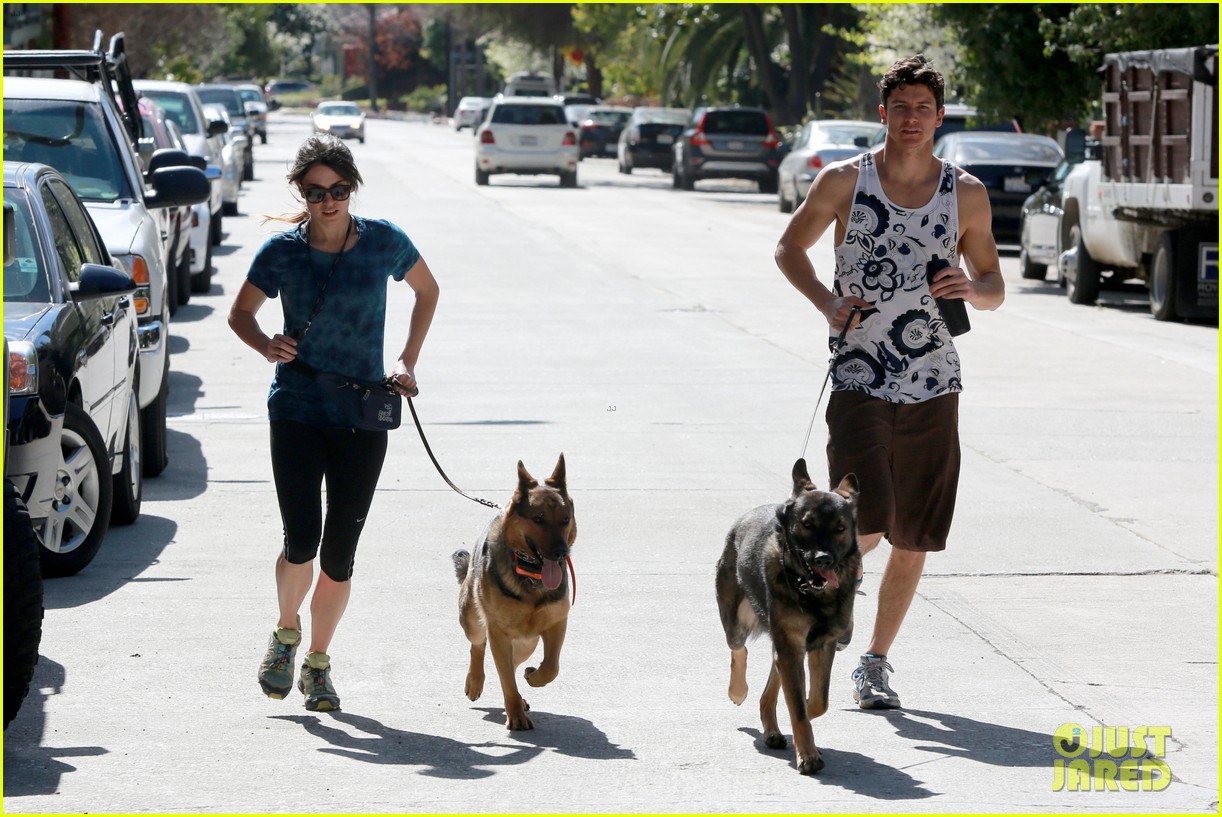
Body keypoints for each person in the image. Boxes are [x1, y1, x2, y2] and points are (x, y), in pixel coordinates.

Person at [774, 55, 1005, 710]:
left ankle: (872, 663)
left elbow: (995, 286)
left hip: (934, 381)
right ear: (883, 113)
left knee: (913, 536)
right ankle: (814, 608)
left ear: (939, 117)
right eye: (900, 106)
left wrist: (972, 287)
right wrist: (826, 302)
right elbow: (789, 248)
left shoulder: (966, 193)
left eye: (923, 108)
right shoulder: (845, 181)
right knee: (864, 525)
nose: (911, 118)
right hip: (860, 374)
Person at [228, 134, 440, 711]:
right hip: (297, 409)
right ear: (301, 192)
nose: (328, 201)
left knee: (339, 552)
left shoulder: (384, 241)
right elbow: (240, 313)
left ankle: (318, 664)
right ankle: (285, 634)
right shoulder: (281, 253)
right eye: (316, 192)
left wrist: (407, 360)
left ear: (353, 188)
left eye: (339, 190)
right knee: (301, 541)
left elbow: (427, 291)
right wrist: (265, 344)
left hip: (361, 416)